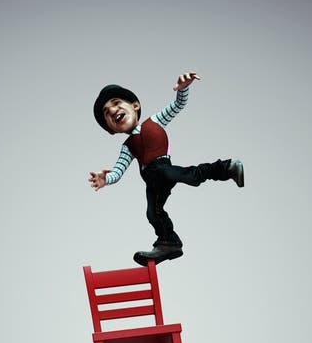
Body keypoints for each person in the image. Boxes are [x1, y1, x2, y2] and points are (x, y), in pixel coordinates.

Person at [90, 72, 244, 265]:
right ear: (111, 129)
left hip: (163, 168)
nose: (112, 111)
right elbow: (118, 171)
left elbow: (178, 105)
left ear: (135, 105)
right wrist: (107, 179)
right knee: (153, 213)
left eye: (116, 103)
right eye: (106, 113)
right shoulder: (127, 147)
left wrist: (183, 89)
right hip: (151, 180)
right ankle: (168, 242)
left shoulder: (154, 120)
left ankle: (227, 167)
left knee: (192, 176)